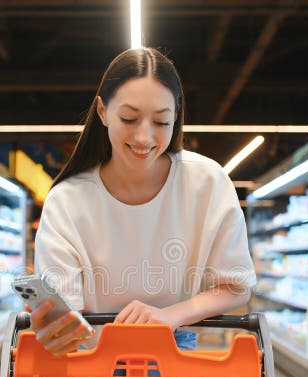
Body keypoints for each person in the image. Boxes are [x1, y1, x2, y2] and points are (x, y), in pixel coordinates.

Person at [28, 47, 257, 355]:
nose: (144, 137)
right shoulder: (67, 201)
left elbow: (236, 286)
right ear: (102, 112)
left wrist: (170, 316)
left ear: (176, 116)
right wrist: (53, 328)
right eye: (129, 118)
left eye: (161, 122)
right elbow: (63, 311)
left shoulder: (207, 182)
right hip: (93, 358)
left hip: (178, 353)